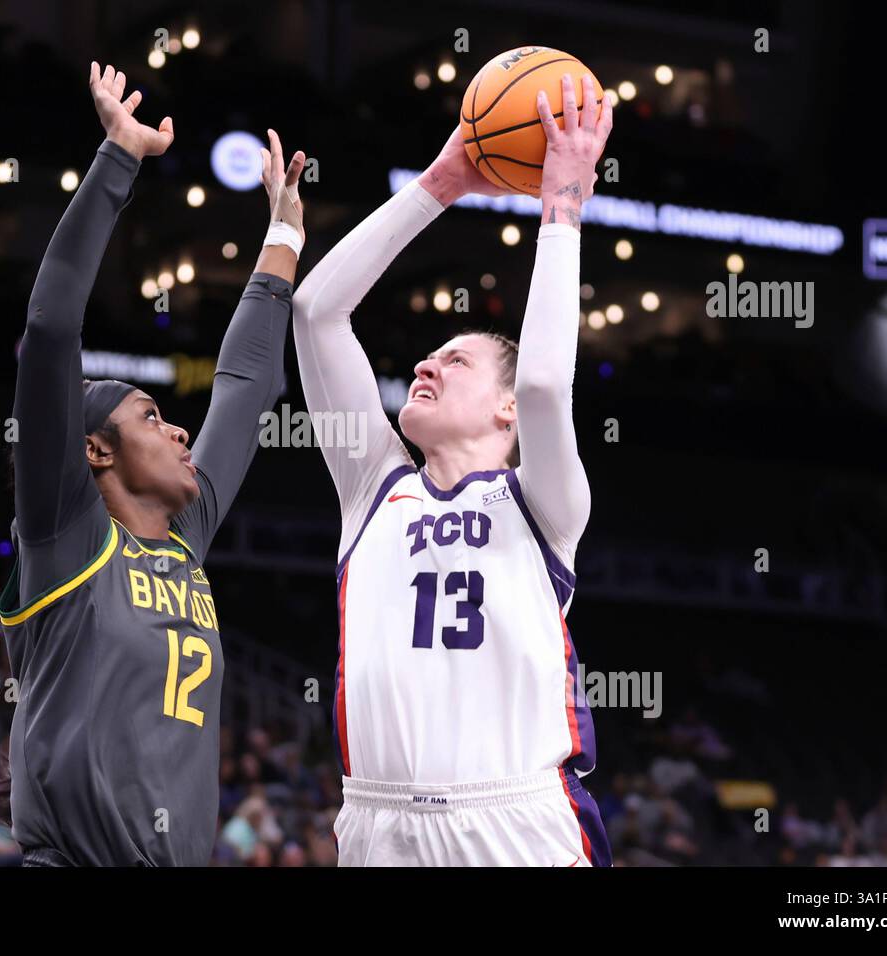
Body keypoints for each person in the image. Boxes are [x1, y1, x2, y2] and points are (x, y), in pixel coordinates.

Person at [0, 61, 306, 867]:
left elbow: (249, 389)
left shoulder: (185, 540)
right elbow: (48, 330)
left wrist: (282, 237)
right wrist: (118, 159)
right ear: (95, 450)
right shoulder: (66, 537)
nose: (181, 432)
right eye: (152, 416)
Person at [292, 73, 613, 865]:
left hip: (514, 823)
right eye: (426, 357)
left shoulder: (542, 502)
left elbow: (542, 379)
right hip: (375, 827)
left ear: (506, 413)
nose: (427, 366)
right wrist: (439, 184)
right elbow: (315, 311)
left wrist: (562, 209)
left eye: (457, 360)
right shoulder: (373, 485)